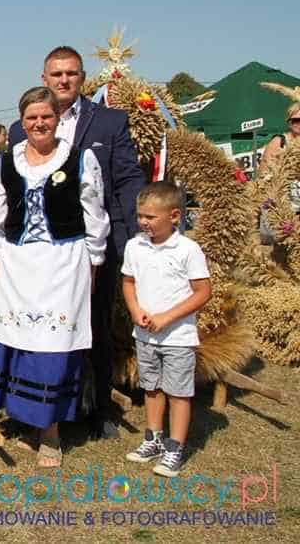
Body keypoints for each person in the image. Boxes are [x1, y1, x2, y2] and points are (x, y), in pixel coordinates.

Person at [7, 46, 145, 440]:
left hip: (95, 244)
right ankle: (36, 409)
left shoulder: (110, 122)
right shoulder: (21, 128)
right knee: (37, 330)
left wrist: (138, 237)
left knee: (95, 326)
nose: (64, 80)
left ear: (83, 78)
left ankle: (99, 410)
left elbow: (128, 180)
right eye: (56, 74)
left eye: (71, 73)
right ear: (44, 78)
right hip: (40, 253)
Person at [0, 87, 110, 467]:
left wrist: (92, 266)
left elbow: (95, 219)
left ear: (57, 119)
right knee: (20, 343)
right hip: (17, 263)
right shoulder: (4, 164)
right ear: (22, 122)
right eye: (32, 117)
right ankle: (28, 421)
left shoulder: (80, 159)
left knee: (54, 347)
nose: (39, 123)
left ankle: (50, 433)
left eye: (46, 116)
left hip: (63, 264)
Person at [123, 182, 211, 477]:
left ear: (174, 216)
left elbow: (202, 292)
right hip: (145, 335)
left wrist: (167, 318)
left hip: (178, 338)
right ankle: (153, 438)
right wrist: (135, 310)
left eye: (150, 217)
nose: (143, 222)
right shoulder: (134, 246)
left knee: (178, 393)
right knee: (151, 387)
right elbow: (129, 282)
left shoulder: (188, 250)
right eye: (140, 216)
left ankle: (175, 448)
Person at [257, 102, 300, 176]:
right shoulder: (278, 142)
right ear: (289, 123)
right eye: (295, 120)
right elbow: (263, 174)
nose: (299, 123)